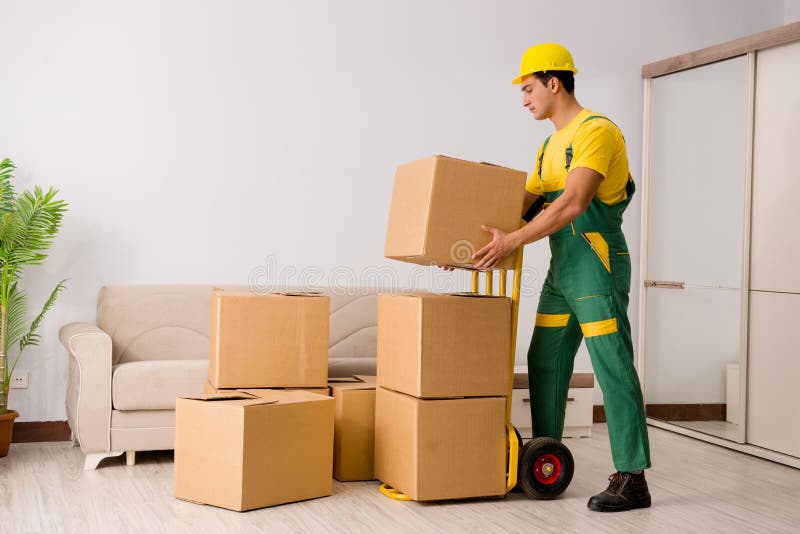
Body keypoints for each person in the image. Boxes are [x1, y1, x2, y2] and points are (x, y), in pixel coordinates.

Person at [472, 43, 652, 512]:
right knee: (545, 358)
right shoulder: (548, 145)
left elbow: (573, 203)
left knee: (611, 364)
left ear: (555, 83)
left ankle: (632, 477)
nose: (525, 99)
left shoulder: (597, 131)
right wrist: (462, 246)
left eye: (529, 89)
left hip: (596, 263)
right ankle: (543, 459)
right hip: (562, 272)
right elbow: (521, 206)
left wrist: (511, 243)